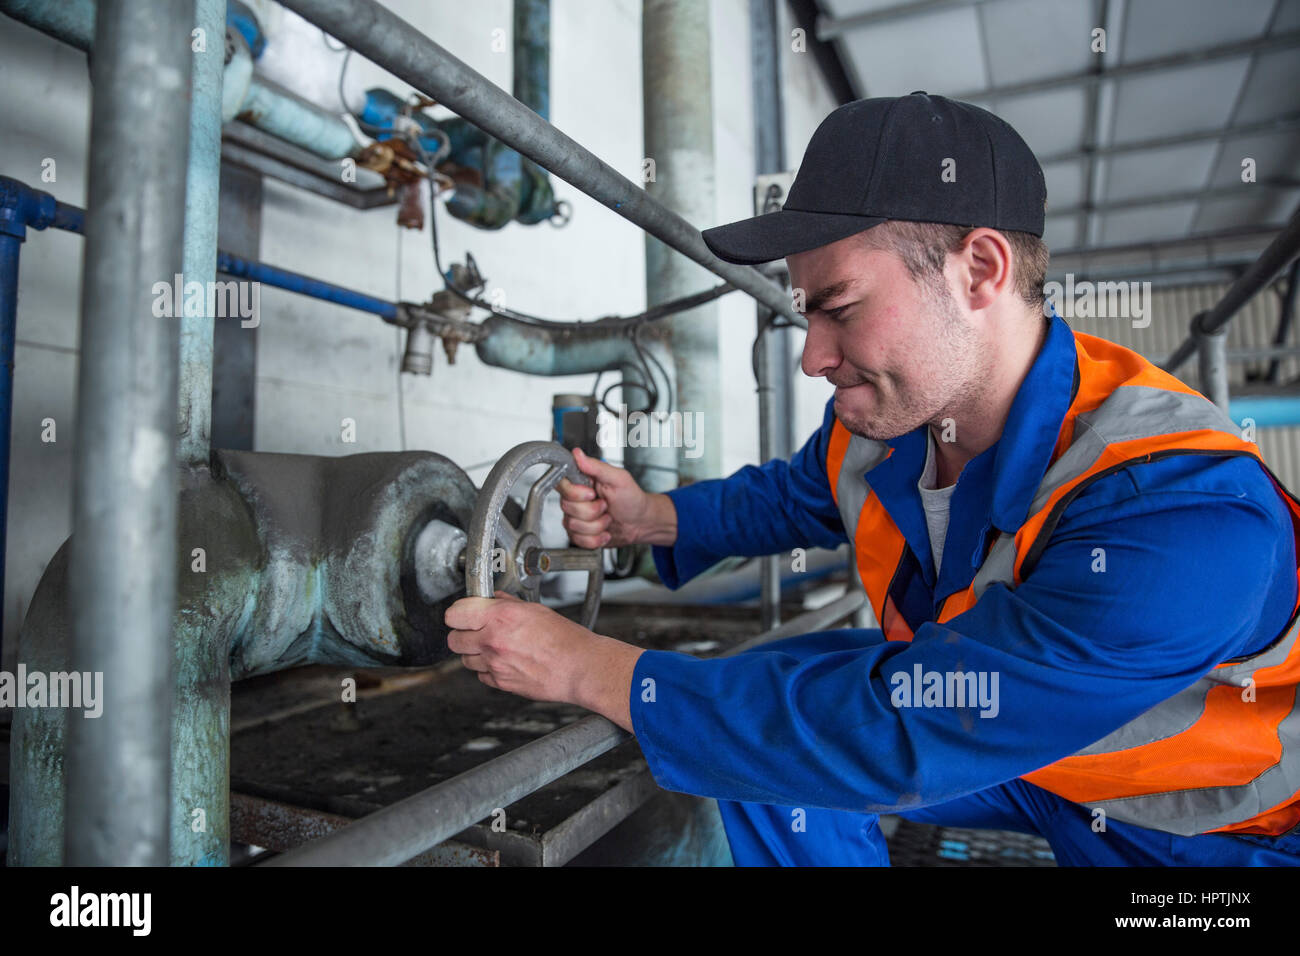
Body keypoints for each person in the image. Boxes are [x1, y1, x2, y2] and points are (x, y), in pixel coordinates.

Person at [446, 93, 1300, 866]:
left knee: (799, 721)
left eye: (838, 307)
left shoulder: (1180, 515)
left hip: (1201, 827)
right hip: (1026, 752)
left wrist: (591, 669)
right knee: (762, 741)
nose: (813, 357)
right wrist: (651, 517)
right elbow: (797, 494)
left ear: (980, 271)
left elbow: (912, 727)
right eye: (802, 311)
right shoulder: (894, 419)